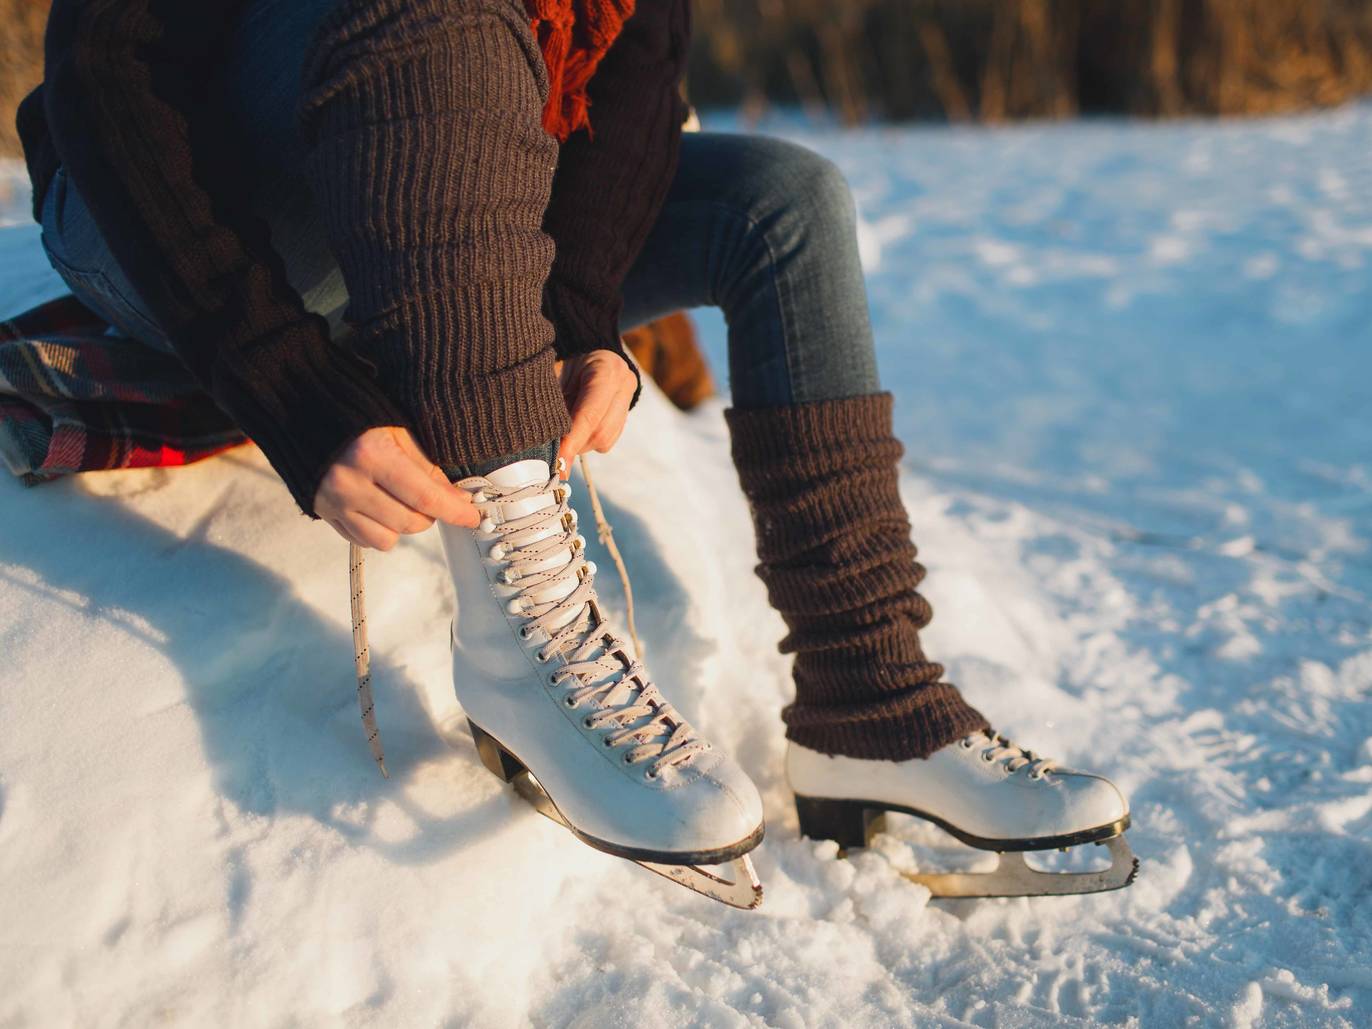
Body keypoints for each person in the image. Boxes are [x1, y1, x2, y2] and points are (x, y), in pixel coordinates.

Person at [18, 0, 1135, 901]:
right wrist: (280, 380)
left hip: (469, 196)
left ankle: (871, 706)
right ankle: (521, 660)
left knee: (785, 203)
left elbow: (635, 100)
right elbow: (108, 76)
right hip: (188, 220)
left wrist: (580, 319)